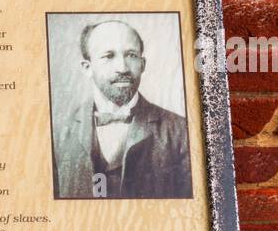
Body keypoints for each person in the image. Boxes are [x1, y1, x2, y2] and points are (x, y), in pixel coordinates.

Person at [51, 20, 192, 200]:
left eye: (131, 55)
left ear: (143, 64)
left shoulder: (181, 131)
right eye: (108, 56)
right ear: (87, 68)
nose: (123, 68)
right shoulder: (57, 133)